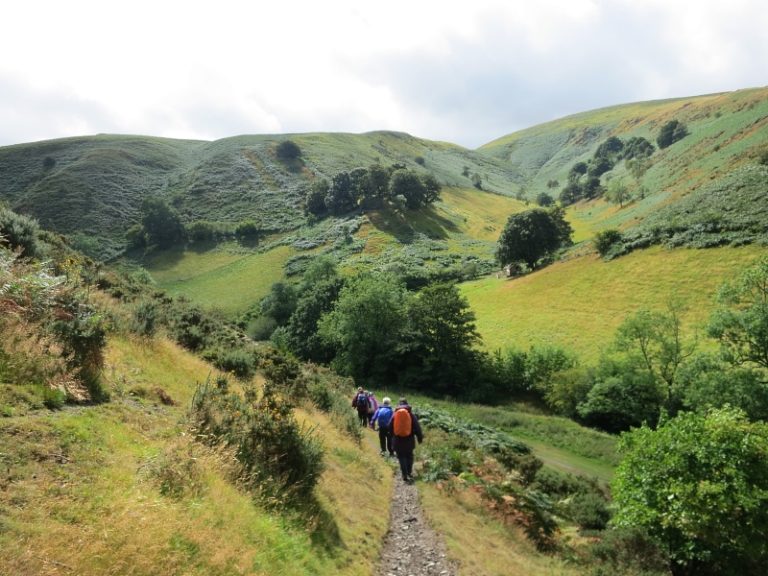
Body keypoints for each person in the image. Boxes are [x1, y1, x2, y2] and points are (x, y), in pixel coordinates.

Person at [391, 397, 423, 483]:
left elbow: (389, 426)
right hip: (409, 440)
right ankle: (409, 472)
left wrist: (392, 437)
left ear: (399, 404)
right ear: (407, 404)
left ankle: (404, 474)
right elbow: (417, 428)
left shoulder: (395, 414)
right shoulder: (411, 415)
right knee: (409, 456)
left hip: (397, 440)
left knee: (401, 456)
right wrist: (420, 438)